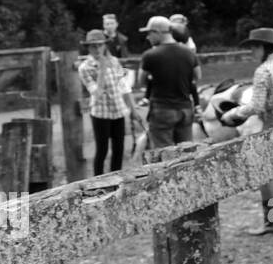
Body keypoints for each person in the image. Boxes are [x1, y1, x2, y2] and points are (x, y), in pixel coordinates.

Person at [220, 27, 273, 235]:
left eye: (253, 48)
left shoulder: (264, 70)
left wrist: (232, 115)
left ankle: (272, 222)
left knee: (264, 176)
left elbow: (256, 106)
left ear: (262, 47)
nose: (251, 53)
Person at [78, 28, 142, 175]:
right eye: (93, 46)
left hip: (118, 110)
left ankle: (115, 179)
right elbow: (97, 93)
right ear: (88, 47)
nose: (97, 49)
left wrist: (133, 110)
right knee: (102, 149)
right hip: (101, 113)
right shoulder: (85, 68)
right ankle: (97, 182)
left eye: (100, 45)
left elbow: (124, 87)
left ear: (104, 45)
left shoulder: (114, 61)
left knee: (119, 148)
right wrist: (101, 69)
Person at [138, 15, 200, 155]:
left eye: (149, 33)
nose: (148, 37)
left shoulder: (150, 55)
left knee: (165, 154)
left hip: (162, 110)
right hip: (185, 109)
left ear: (158, 32)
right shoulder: (188, 53)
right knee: (187, 153)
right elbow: (197, 76)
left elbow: (141, 81)